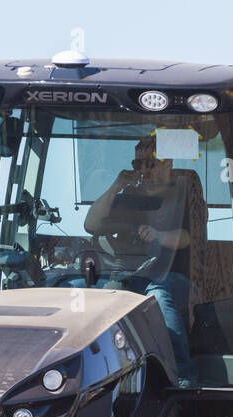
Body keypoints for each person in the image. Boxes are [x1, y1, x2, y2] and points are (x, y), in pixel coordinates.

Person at [83, 134, 205, 386]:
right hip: (126, 273)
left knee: (158, 297)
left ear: (168, 163)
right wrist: (115, 187)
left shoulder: (183, 193)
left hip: (172, 277)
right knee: (78, 293)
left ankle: (182, 375)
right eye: (139, 164)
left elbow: (187, 238)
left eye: (151, 163)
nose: (144, 170)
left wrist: (159, 236)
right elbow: (91, 223)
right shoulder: (129, 193)